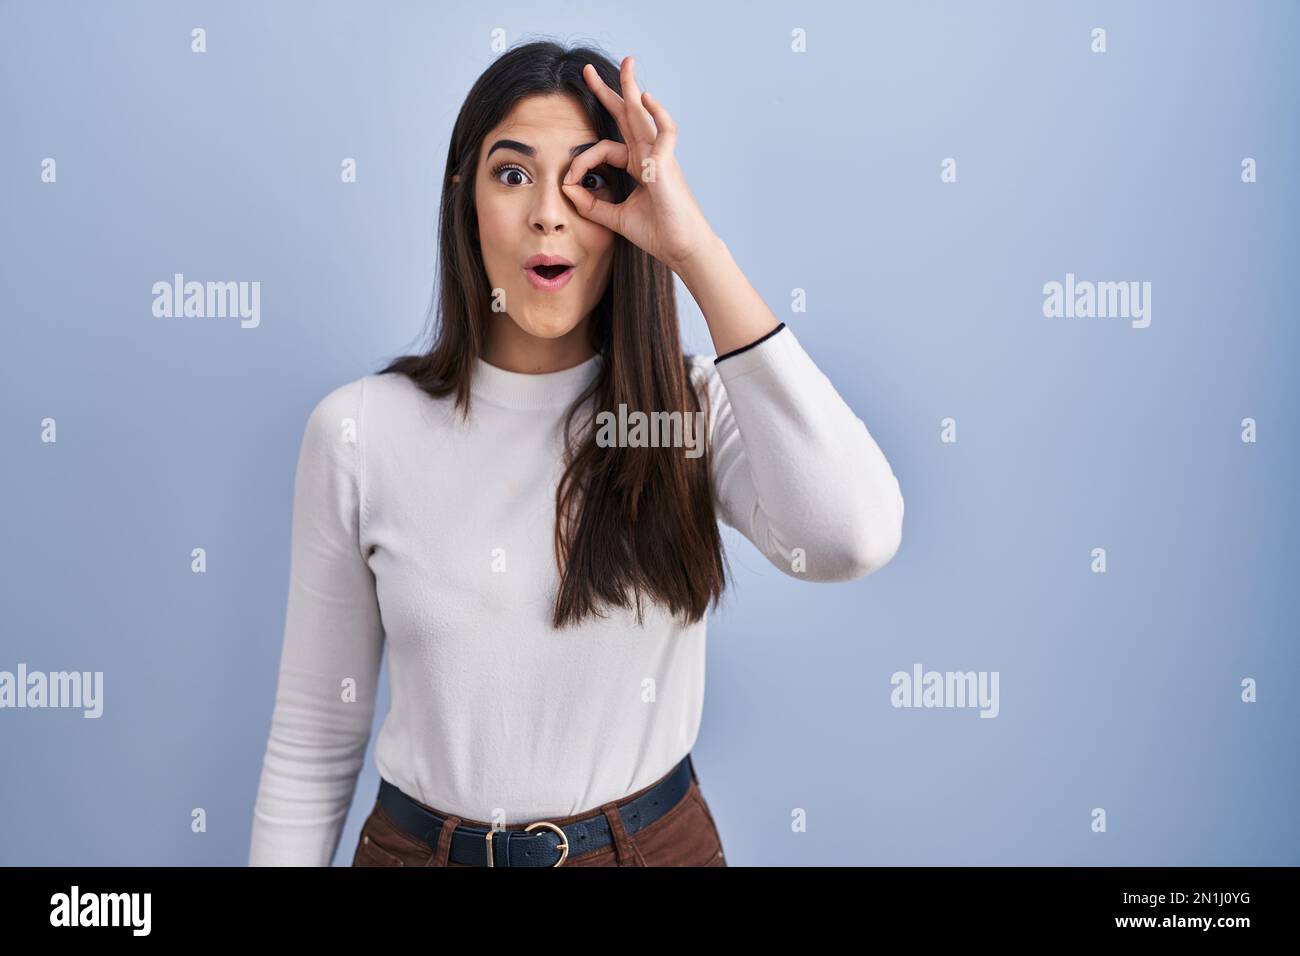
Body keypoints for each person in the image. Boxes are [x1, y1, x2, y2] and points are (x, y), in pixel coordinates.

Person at [248, 41, 905, 867]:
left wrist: (693, 249)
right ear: (465, 199)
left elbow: (855, 536)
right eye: (513, 174)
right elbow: (313, 739)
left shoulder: (686, 415)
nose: (549, 214)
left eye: (590, 179)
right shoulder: (357, 432)